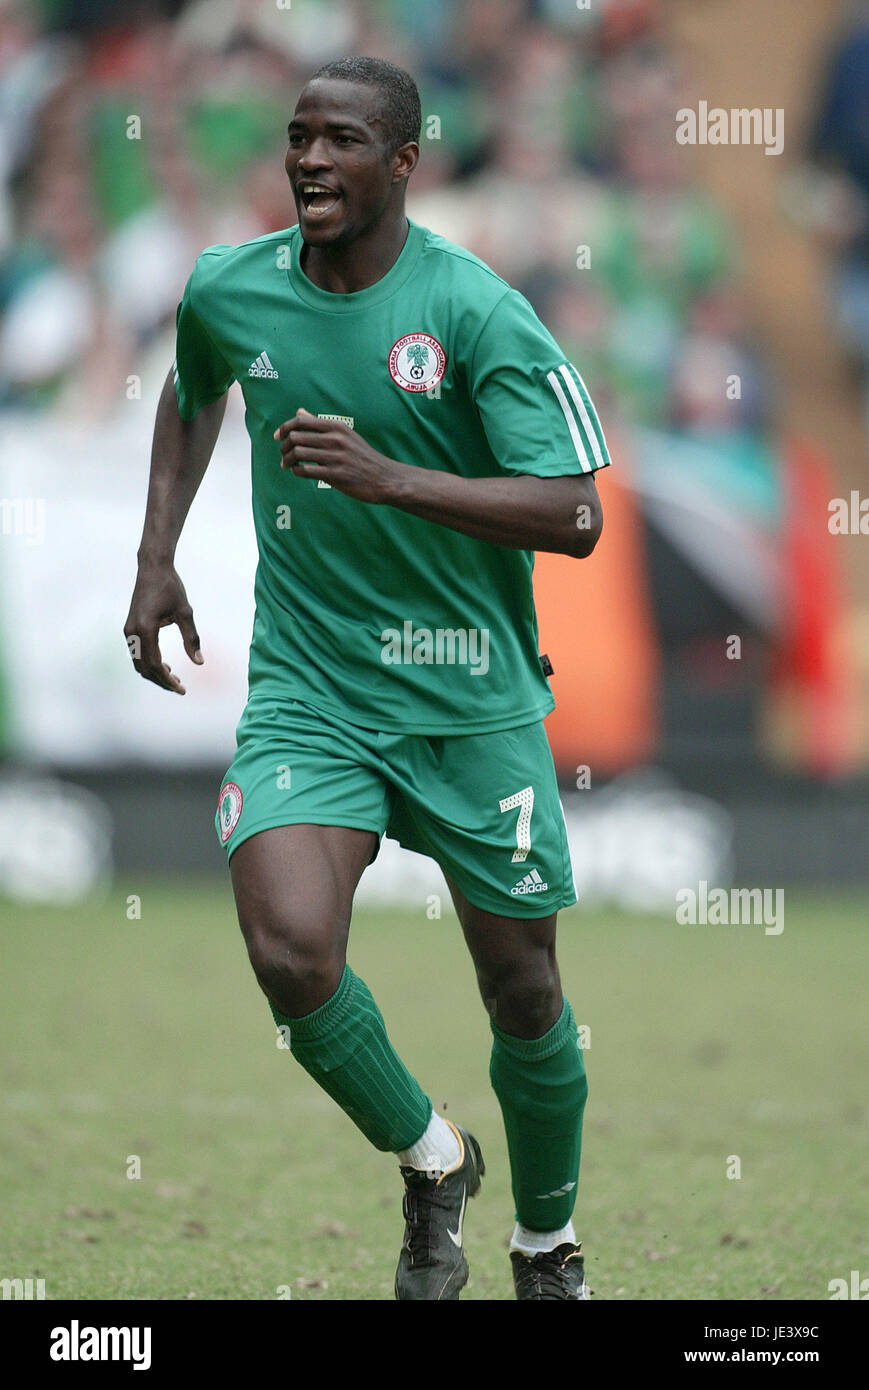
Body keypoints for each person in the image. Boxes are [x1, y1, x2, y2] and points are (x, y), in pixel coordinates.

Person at [124, 55, 610, 1301]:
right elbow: (191, 395)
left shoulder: (476, 310)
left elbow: (572, 514)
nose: (308, 161)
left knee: (522, 987)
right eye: (297, 138)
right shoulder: (228, 288)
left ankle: (544, 1248)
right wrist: (155, 559)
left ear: (403, 163)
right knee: (290, 946)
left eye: (341, 141)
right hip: (314, 690)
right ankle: (432, 1159)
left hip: (470, 702)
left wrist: (391, 475)